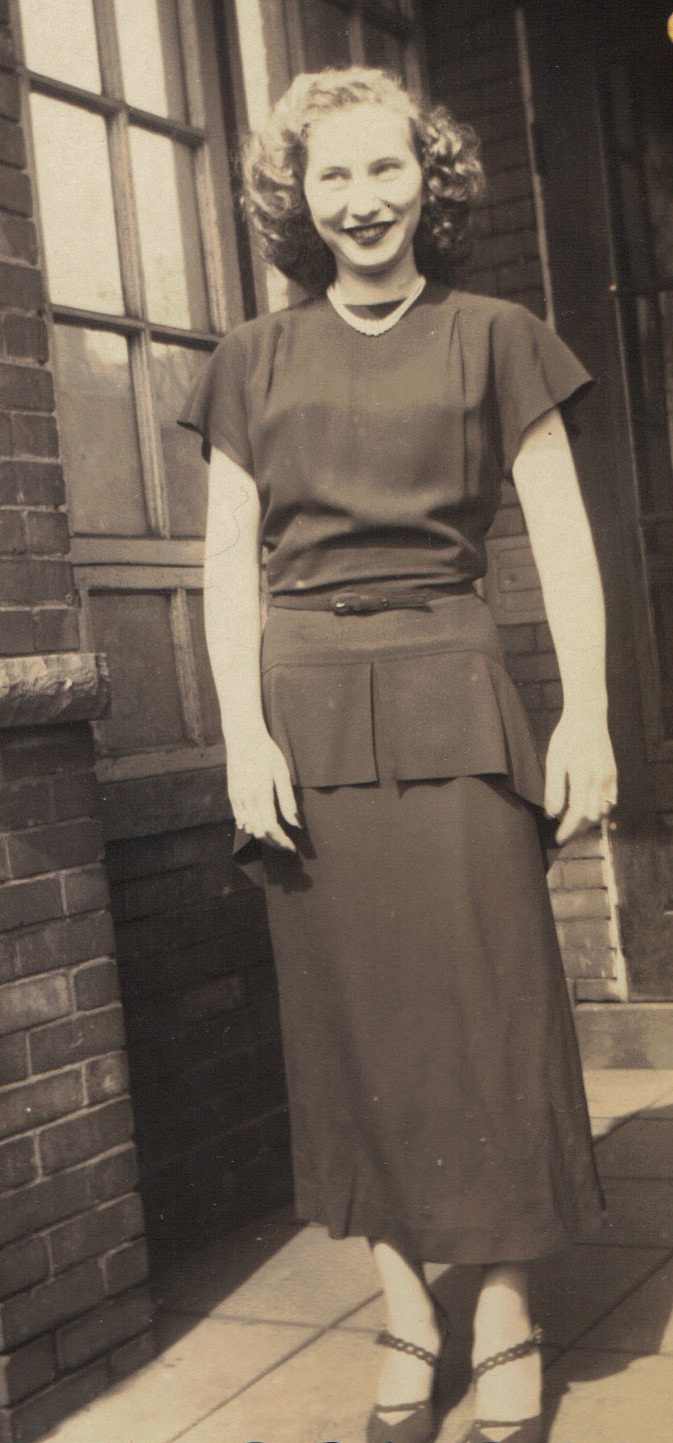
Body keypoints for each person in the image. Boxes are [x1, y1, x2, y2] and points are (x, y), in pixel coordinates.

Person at [178, 68, 616, 1443]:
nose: (359, 201)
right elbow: (225, 570)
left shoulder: (495, 334)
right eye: (330, 177)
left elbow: (560, 542)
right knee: (345, 1022)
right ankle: (403, 1309)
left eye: (383, 171)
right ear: (294, 201)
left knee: (486, 1014)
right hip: (303, 711)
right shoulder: (251, 359)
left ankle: (504, 1314)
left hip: (455, 696)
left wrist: (587, 715)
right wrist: (242, 737)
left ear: (429, 181)